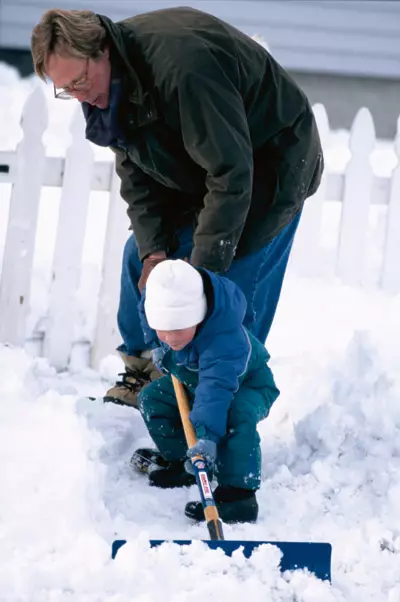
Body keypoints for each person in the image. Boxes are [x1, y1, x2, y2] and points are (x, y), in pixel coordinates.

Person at [31, 7, 323, 406]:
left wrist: (198, 277)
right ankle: (149, 373)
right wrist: (155, 251)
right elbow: (136, 177)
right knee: (139, 259)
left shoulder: (183, 70)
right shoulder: (104, 88)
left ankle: (221, 410)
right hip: (201, 168)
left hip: (268, 168)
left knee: (228, 290)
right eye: (66, 90)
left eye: (80, 81)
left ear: (102, 50)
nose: (79, 96)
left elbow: (231, 173)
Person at [132, 259, 279, 524]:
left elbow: (215, 391)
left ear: (198, 316)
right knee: (153, 399)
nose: (171, 338)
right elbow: (148, 317)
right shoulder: (157, 314)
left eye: (178, 330)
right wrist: (157, 343)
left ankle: (239, 496)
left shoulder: (225, 339)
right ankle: (183, 462)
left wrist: (207, 437)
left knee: (235, 415)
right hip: (196, 383)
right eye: (162, 330)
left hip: (246, 385)